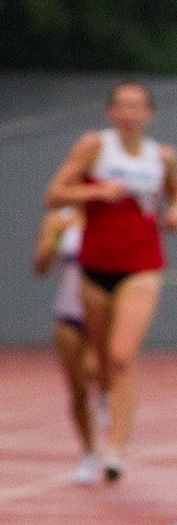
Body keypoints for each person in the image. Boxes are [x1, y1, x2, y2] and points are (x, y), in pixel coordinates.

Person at [43, 81, 177, 484]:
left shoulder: (164, 157)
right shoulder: (94, 147)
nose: (129, 114)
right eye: (122, 106)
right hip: (94, 267)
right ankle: (99, 424)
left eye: (137, 107)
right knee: (99, 364)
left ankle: (115, 449)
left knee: (121, 357)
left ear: (149, 114)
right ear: (110, 112)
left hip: (142, 267)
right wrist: (97, 192)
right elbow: (54, 194)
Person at [34, 208, 105, 483]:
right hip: (68, 311)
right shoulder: (58, 219)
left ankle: (107, 397)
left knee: (95, 370)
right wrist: (52, 239)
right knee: (76, 388)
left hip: (101, 310)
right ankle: (88, 453)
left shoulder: (109, 213)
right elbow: (40, 267)